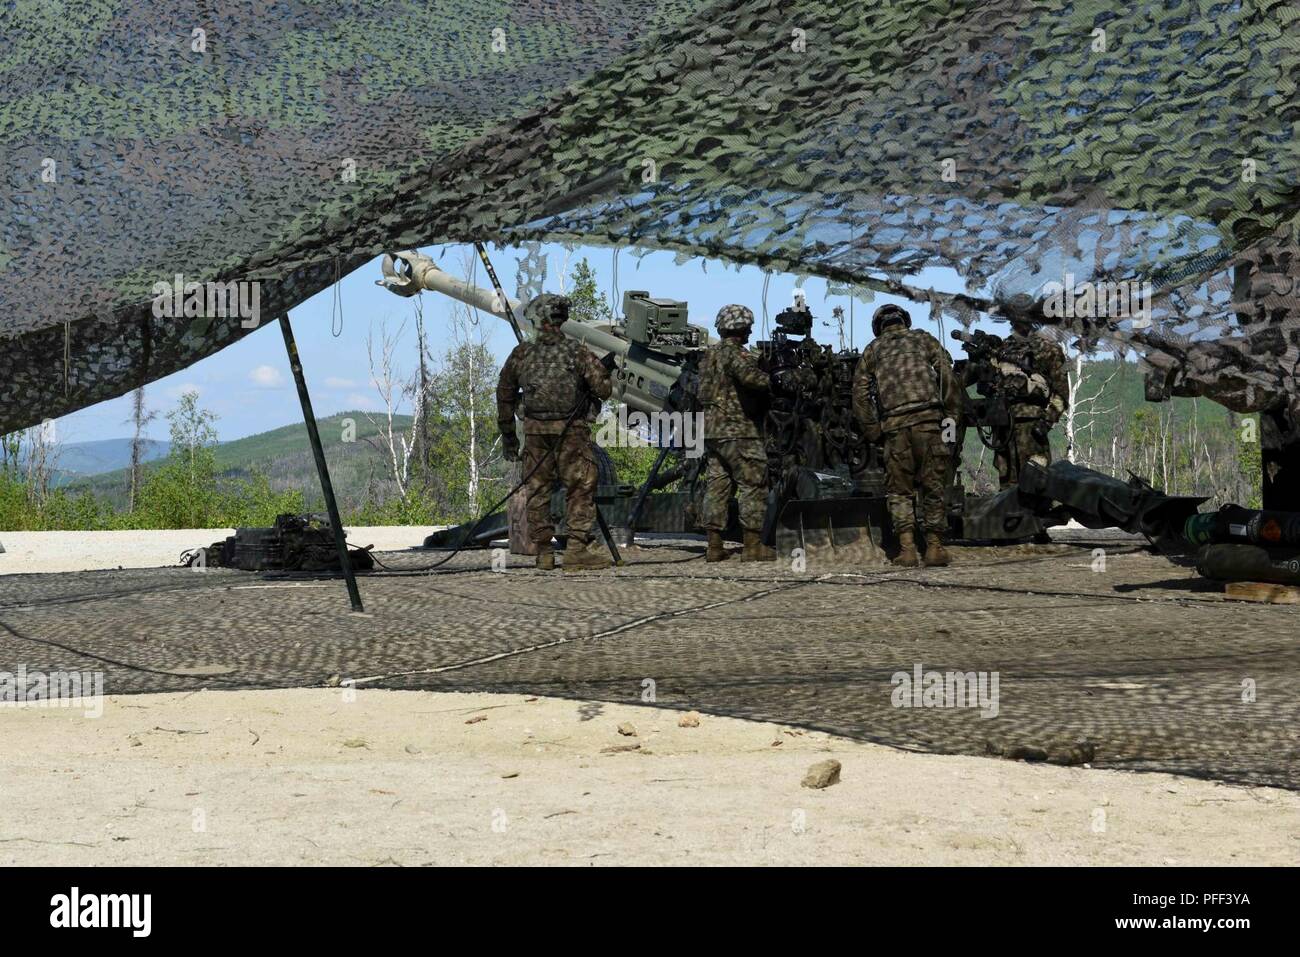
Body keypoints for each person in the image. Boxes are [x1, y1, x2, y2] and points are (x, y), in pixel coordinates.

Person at [496, 293, 612, 571]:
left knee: (538, 490)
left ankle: (544, 552)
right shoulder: (577, 352)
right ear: (562, 319)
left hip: (535, 434)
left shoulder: (522, 353)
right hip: (572, 434)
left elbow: (504, 394)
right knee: (580, 488)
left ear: (537, 319)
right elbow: (604, 390)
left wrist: (509, 438)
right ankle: (576, 549)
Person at [852, 304, 959, 567]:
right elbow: (947, 374)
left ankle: (907, 550)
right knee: (933, 486)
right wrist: (951, 418)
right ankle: (934, 548)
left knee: (899, 491)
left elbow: (859, 394)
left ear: (879, 326)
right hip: (930, 424)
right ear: (904, 320)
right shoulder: (923, 339)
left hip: (895, 429)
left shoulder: (873, 350)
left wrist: (873, 430)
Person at [698, 304, 775, 562]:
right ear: (742, 330)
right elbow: (753, 380)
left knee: (717, 486)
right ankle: (752, 546)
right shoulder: (736, 354)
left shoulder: (708, 356)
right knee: (753, 484)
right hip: (739, 430)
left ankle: (714, 545)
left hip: (713, 432)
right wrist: (772, 376)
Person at [994, 314, 1068, 489]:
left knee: (1035, 485)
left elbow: (1062, 393)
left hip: (1032, 426)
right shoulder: (1004, 347)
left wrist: (1047, 421)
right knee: (1007, 489)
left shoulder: (1048, 348)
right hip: (1004, 425)